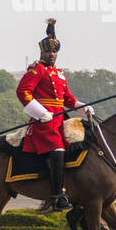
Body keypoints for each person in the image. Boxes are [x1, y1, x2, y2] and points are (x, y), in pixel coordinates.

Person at [16, 19, 93, 211]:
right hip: (44, 121)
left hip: (60, 118)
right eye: (48, 51)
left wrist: (82, 107)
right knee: (58, 150)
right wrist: (40, 112)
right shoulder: (37, 69)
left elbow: (67, 98)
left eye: (54, 52)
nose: (52, 55)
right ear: (42, 52)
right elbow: (23, 91)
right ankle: (57, 195)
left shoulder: (59, 73)